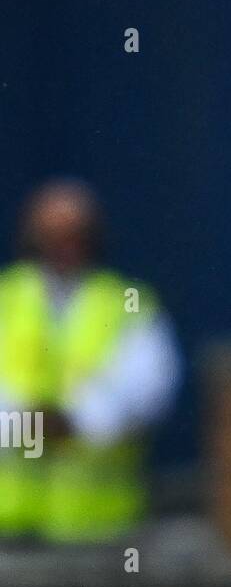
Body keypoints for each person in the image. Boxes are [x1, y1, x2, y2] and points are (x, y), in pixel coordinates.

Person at [0, 179, 181, 541]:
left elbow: (145, 393)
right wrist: (27, 422)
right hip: (8, 523)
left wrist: (76, 421)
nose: (64, 245)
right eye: (52, 234)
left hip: (100, 525)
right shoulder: (7, 296)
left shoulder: (126, 301)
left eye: (75, 233)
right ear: (31, 236)